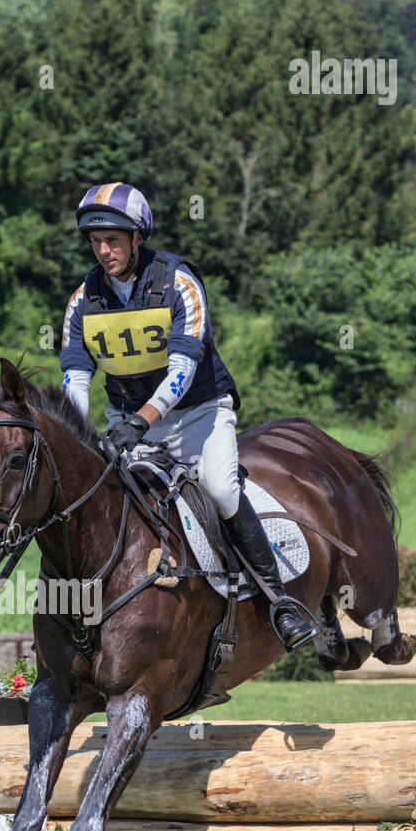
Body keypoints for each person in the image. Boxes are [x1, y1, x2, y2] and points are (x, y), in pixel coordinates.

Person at [59, 182, 316, 651]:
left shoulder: (178, 282)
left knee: (219, 488)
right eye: (95, 241)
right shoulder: (83, 301)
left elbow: (184, 367)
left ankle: (280, 602)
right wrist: (78, 437)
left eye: (113, 239)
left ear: (137, 238)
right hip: (127, 423)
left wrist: (143, 417)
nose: (103, 250)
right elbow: (75, 380)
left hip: (198, 412)